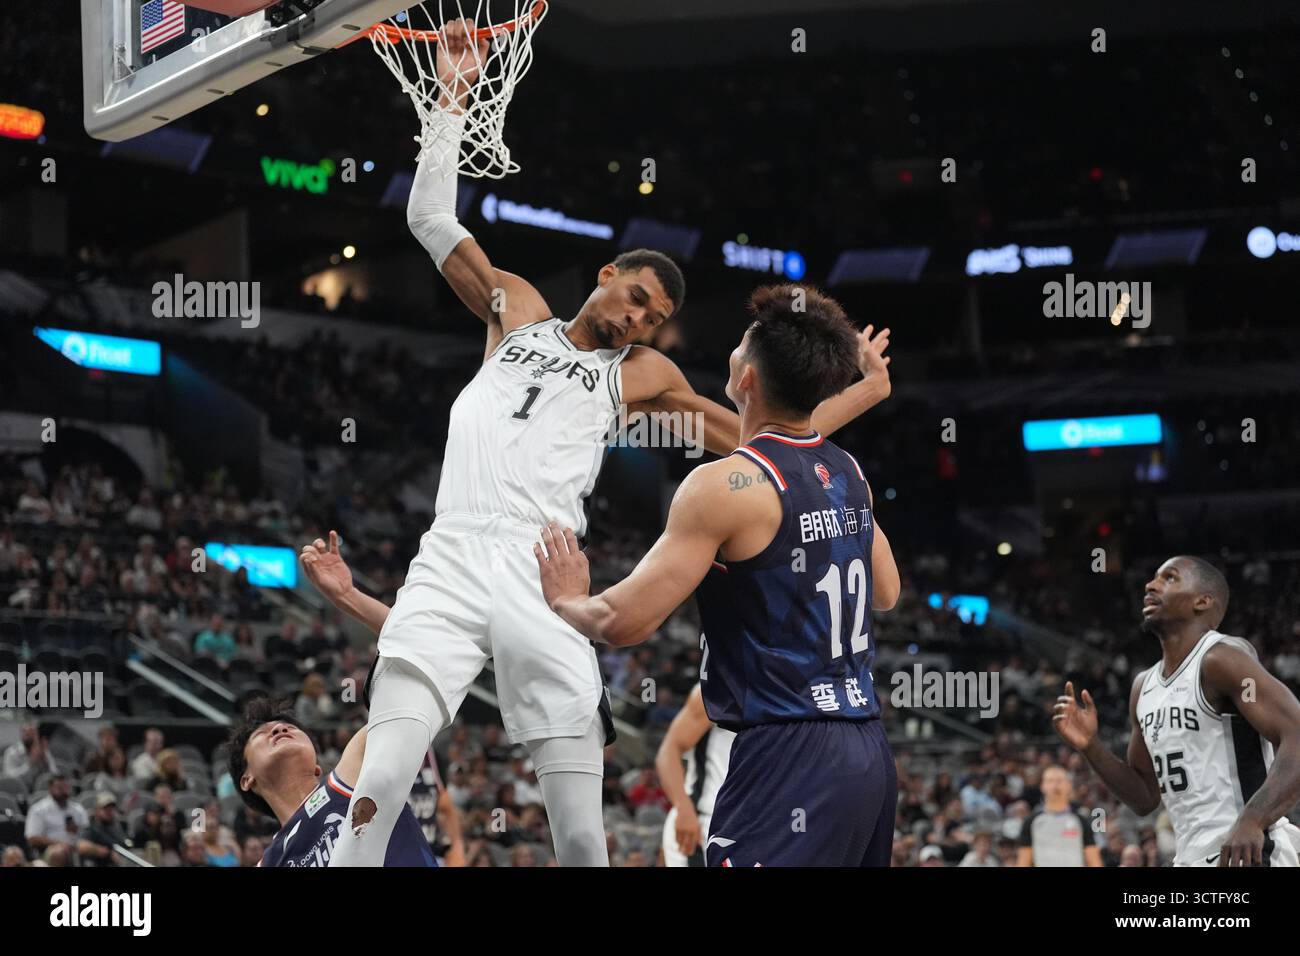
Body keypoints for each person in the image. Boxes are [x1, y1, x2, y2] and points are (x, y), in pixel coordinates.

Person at [327, 20, 892, 869]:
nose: (636, 319)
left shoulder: (644, 377)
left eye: (653, 318)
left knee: (582, 831)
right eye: (632, 299)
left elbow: (763, 440)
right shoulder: (512, 309)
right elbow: (427, 214)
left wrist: (865, 390)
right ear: (604, 278)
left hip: (544, 567)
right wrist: (449, 93)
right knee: (383, 774)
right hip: (447, 555)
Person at [537, 285, 901, 866]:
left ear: (748, 378)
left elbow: (621, 621)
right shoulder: (847, 469)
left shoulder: (722, 487)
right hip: (866, 749)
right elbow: (886, 593)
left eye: (739, 345)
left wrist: (566, 600)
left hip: (786, 753)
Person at [1054, 555, 1300, 867]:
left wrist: (1253, 818)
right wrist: (1091, 746)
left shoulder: (1222, 658)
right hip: (1191, 857)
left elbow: (1296, 734)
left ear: (1202, 601)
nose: (1150, 585)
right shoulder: (1142, 687)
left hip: (1249, 851)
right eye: (1154, 578)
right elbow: (1144, 796)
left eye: (1169, 578)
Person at [225, 696, 434, 867]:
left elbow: (404, 708)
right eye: (262, 734)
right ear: (247, 779)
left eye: (291, 729)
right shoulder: (268, 863)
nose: (280, 730)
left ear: (316, 764)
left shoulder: (351, 770)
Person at [655, 683, 735, 867]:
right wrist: (683, 808)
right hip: (704, 822)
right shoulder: (719, 686)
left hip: (754, 824)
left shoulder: (796, 693)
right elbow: (669, 751)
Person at [1014, 766, 1102, 867]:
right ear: (1043, 786)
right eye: (1050, 781)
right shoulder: (1031, 822)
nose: (1055, 785)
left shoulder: (1081, 821)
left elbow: (1094, 861)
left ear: (1069, 786)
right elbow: (1023, 862)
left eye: (1060, 781)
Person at [24, 773, 88, 860]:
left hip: (77, 848)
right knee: (58, 853)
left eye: (66, 787)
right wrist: (58, 844)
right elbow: (32, 838)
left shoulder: (78, 809)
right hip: (50, 850)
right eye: (59, 788)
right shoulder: (38, 810)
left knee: (95, 849)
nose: (63, 791)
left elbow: (87, 831)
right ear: (50, 789)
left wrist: (77, 830)